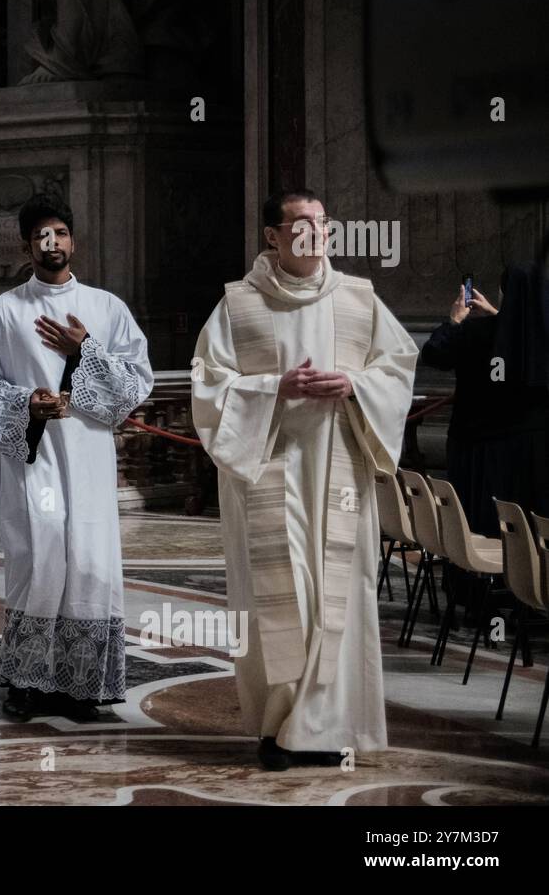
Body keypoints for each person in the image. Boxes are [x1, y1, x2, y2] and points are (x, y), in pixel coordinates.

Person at [191, 189, 417, 770]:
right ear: (273, 236)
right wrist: (274, 389)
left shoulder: (359, 300)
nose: (315, 232)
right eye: (301, 223)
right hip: (268, 466)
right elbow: (208, 387)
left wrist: (355, 385)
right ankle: (278, 724)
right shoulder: (239, 305)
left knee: (337, 595)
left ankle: (327, 726)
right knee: (279, 599)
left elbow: (396, 367)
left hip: (338, 467)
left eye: (322, 222)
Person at [0, 194, 153, 722]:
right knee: (38, 560)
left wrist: (84, 350)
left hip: (88, 453)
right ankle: (27, 681)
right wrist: (28, 402)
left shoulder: (107, 308)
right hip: (35, 455)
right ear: (28, 245)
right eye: (42, 235)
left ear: (72, 240)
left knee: (91, 562)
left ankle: (82, 682)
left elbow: (136, 384)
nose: (53, 243)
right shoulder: (3, 312)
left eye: (61, 233)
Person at [420, 263, 549, 535]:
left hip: (476, 454)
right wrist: (502, 317)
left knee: (477, 527)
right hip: (529, 456)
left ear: (504, 293)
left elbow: (434, 353)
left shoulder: (474, 332)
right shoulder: (541, 343)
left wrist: (455, 320)